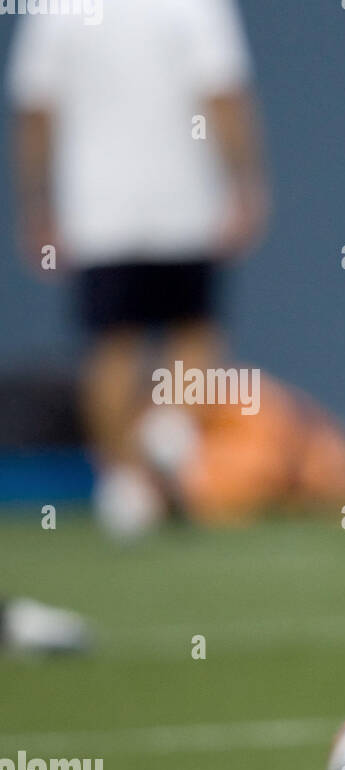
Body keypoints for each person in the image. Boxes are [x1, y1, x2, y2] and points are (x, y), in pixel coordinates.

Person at [7, 0, 268, 538]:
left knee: (112, 344)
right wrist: (244, 181)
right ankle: (164, 433)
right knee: (193, 333)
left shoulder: (59, 10)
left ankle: (126, 488)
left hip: (99, 210)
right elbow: (224, 95)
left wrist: (37, 200)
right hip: (185, 204)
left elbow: (35, 107)